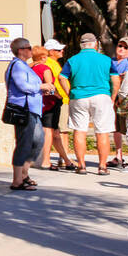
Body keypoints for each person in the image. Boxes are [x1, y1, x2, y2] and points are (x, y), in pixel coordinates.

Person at [61, 32, 120, 174]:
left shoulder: (73, 60)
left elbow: (62, 77)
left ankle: (81, 166)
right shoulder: (106, 60)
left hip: (78, 96)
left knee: (79, 131)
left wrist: (69, 93)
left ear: (81, 45)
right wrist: (113, 96)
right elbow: (116, 80)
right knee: (102, 132)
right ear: (96, 44)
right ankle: (102, 167)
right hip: (101, 96)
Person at [5, 38, 52, 191]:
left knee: (38, 141)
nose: (31, 50)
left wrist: (41, 88)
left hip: (33, 109)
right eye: (28, 47)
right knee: (24, 143)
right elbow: (22, 85)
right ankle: (17, 180)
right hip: (24, 109)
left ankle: (24, 173)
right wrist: (41, 86)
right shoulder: (17, 65)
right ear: (21, 50)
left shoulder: (24, 66)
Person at [41, 39, 76, 171]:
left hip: (62, 100)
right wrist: (60, 96)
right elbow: (52, 83)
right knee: (62, 131)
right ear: (50, 52)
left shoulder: (54, 63)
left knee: (60, 131)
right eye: (58, 50)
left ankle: (64, 159)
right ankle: (65, 159)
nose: (62, 51)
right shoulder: (49, 64)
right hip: (59, 101)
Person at [30, 43, 65, 172]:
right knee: (49, 132)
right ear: (44, 57)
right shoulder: (45, 68)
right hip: (50, 103)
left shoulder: (30, 68)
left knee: (51, 132)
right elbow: (50, 87)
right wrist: (58, 96)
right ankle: (46, 161)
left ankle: (66, 159)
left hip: (38, 103)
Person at [109, 38, 128, 167]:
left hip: (126, 99)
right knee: (116, 127)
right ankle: (119, 156)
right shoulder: (110, 62)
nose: (121, 49)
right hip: (113, 98)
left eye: (125, 47)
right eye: (120, 46)